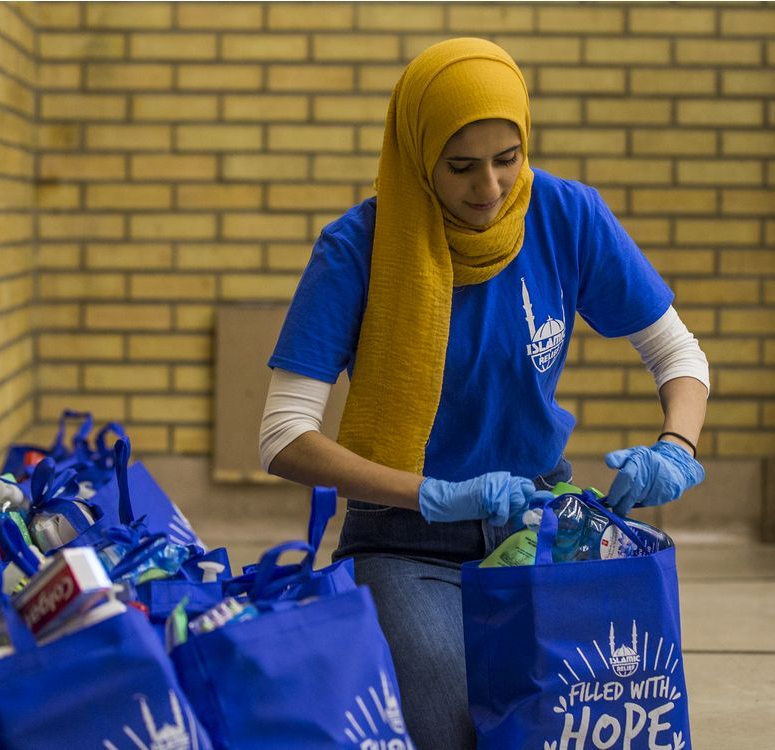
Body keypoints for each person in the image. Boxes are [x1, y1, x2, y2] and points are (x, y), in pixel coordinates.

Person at [258, 38, 708, 749]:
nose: (490, 188)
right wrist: (429, 494)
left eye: (509, 160)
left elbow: (677, 352)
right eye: (461, 167)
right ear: (417, 156)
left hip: (541, 529)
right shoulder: (356, 248)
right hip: (407, 542)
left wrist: (676, 447)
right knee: (456, 721)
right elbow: (283, 437)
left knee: (587, 715)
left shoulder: (566, 216)